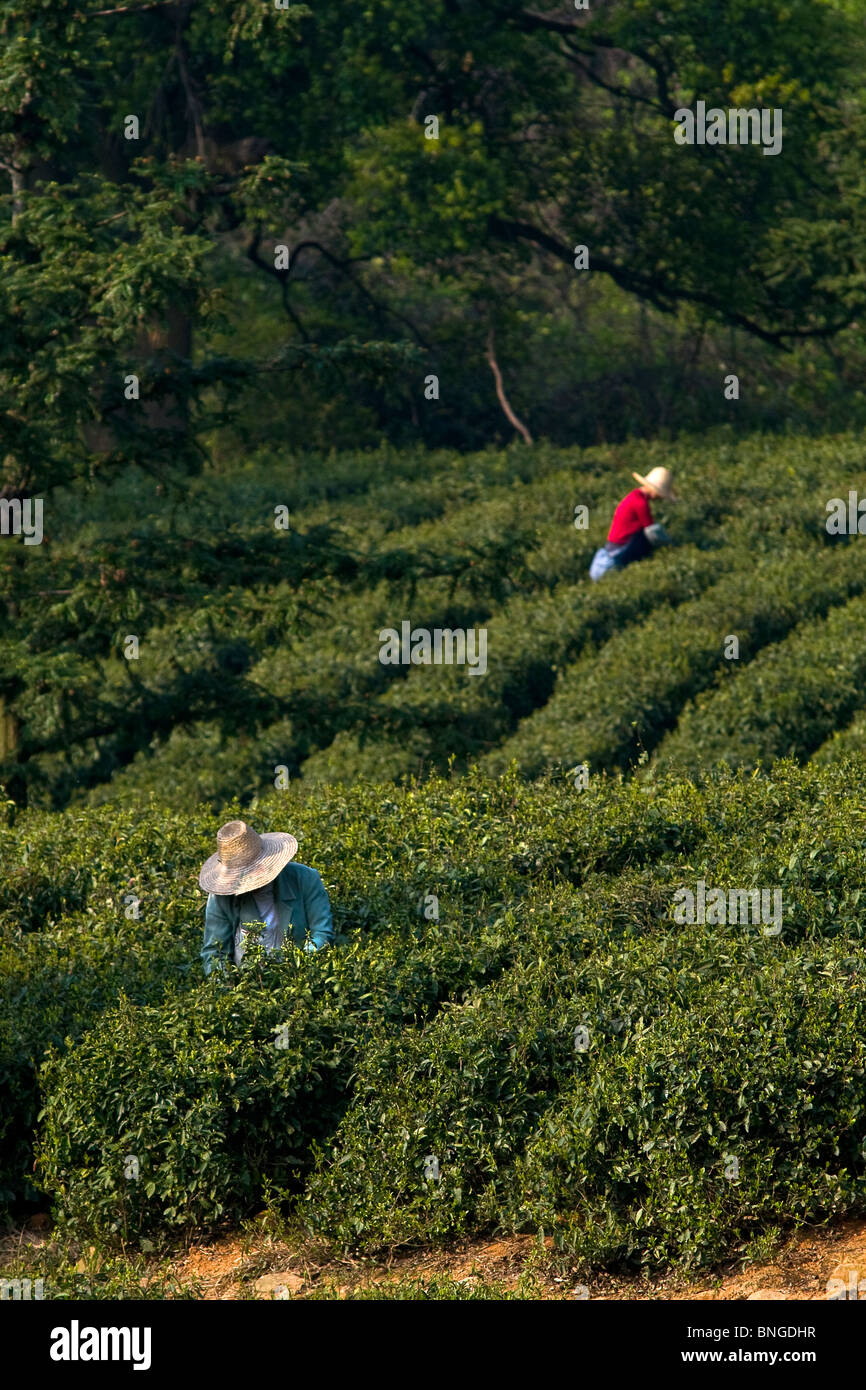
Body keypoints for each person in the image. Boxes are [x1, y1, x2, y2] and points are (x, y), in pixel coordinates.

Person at [199, 819, 334, 976]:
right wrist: (229, 987)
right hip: (248, 986)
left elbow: (322, 935)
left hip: (301, 978)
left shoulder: (305, 879)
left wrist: (298, 967)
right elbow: (215, 954)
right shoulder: (221, 897)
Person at [589, 466, 677, 581]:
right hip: (622, 547)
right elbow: (652, 530)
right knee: (645, 540)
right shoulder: (640, 503)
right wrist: (670, 546)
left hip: (614, 545)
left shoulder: (635, 496)